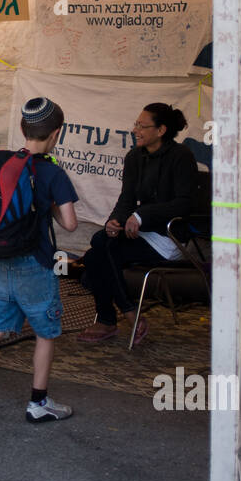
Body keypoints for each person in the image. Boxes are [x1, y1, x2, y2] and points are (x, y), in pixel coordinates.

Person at [0, 96, 79, 422]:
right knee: (46, 333)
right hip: (36, 263)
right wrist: (48, 203)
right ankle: (39, 403)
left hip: (3, 260)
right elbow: (70, 224)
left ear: (23, 129)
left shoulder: (9, 165)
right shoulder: (52, 173)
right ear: (57, 134)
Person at [78, 103, 199, 344]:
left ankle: (111, 319)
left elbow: (185, 204)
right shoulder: (135, 157)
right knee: (100, 241)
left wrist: (143, 215)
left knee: (98, 256)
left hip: (168, 235)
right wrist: (115, 221)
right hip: (140, 231)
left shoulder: (181, 157)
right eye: (136, 124)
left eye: (142, 126)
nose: (135, 130)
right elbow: (127, 199)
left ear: (161, 130)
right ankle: (126, 313)